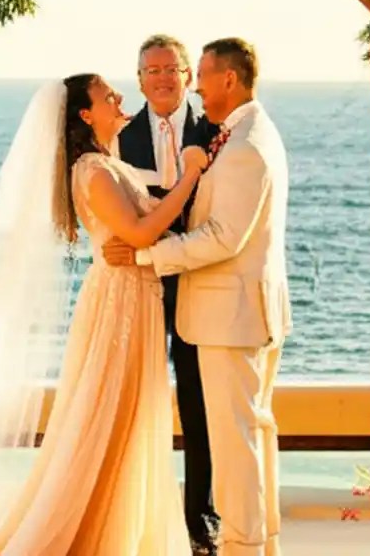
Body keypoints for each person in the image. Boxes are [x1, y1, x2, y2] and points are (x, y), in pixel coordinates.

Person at [0, 73, 208, 555]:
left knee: (131, 420)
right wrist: (192, 174)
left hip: (135, 297)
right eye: (107, 95)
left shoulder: (109, 163)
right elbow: (140, 232)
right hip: (121, 303)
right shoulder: (93, 170)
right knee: (109, 415)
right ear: (86, 115)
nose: (118, 97)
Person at [104, 38, 291, 556]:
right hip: (202, 300)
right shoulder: (244, 133)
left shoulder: (239, 142)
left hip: (218, 304)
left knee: (231, 435)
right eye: (152, 70)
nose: (196, 88)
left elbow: (224, 236)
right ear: (139, 78)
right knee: (249, 430)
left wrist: (146, 255)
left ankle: (233, 539)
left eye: (193, 75)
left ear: (213, 78)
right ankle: (256, 539)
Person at [114, 34, 221, 555]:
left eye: (170, 69)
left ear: (186, 76)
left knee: (199, 406)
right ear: (138, 80)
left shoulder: (217, 132)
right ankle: (131, 516)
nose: (160, 78)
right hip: (139, 286)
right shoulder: (120, 138)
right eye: (150, 70)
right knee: (135, 401)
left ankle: (201, 523)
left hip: (200, 287)